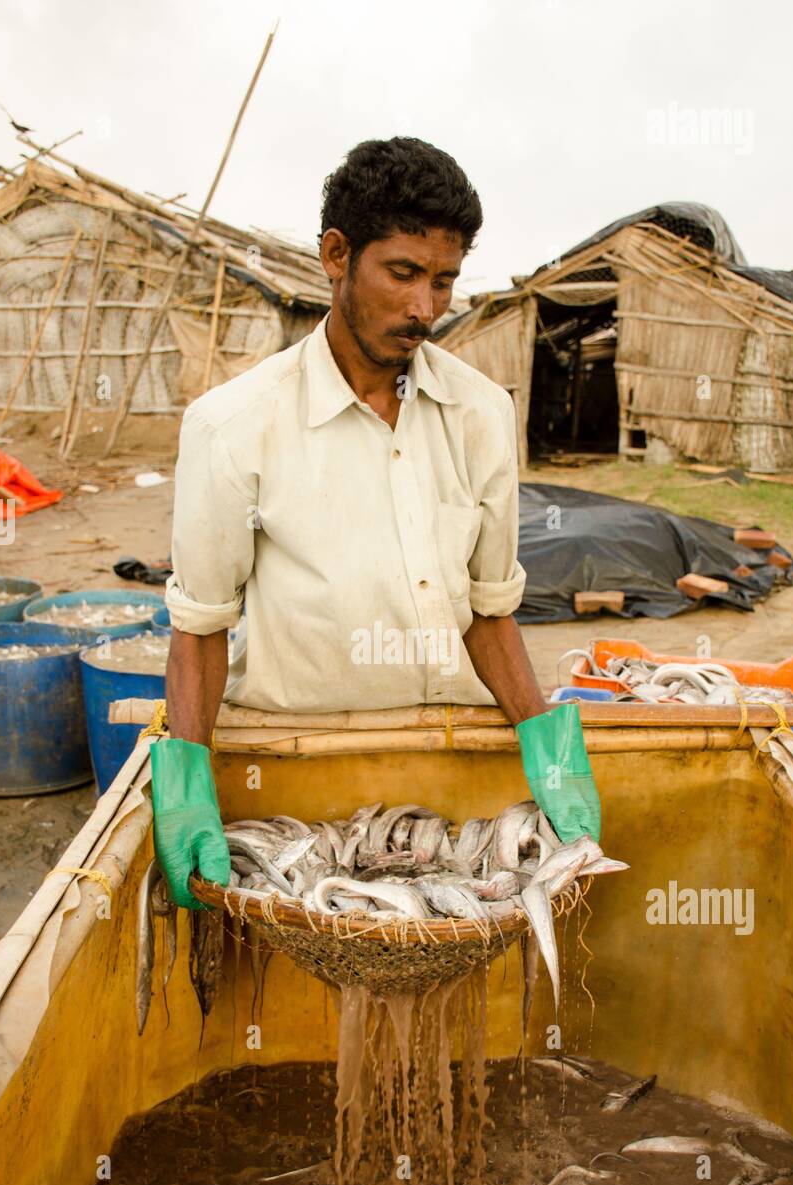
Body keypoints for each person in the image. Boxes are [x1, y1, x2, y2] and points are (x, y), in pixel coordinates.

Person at [152, 136, 600, 907]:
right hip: (298, 766)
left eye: (444, 280)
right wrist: (188, 778)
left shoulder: (482, 415)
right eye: (402, 273)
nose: (424, 308)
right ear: (336, 254)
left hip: (450, 768)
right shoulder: (233, 427)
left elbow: (488, 613)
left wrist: (547, 743)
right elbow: (200, 626)